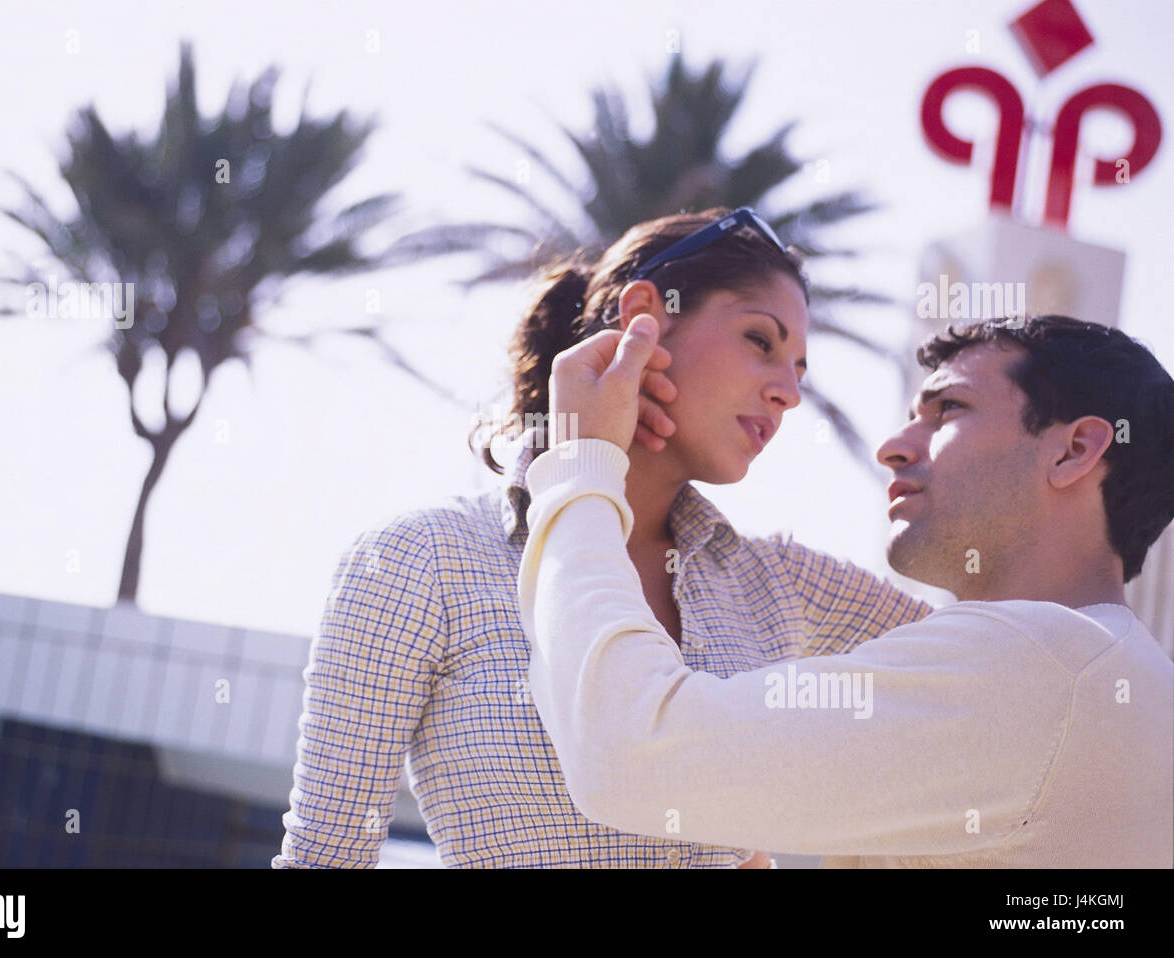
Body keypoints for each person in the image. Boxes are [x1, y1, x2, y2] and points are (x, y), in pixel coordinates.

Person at [273, 206, 931, 868]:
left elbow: (1000, 673)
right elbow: (322, 857)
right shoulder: (422, 562)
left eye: (799, 370)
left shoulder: (778, 583)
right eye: (761, 341)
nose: (788, 393)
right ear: (647, 313)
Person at [517, 313, 1174, 867]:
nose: (892, 446)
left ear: (1076, 450)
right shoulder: (1129, 686)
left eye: (949, 408)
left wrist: (579, 471)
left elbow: (629, 751)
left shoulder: (1037, 662)